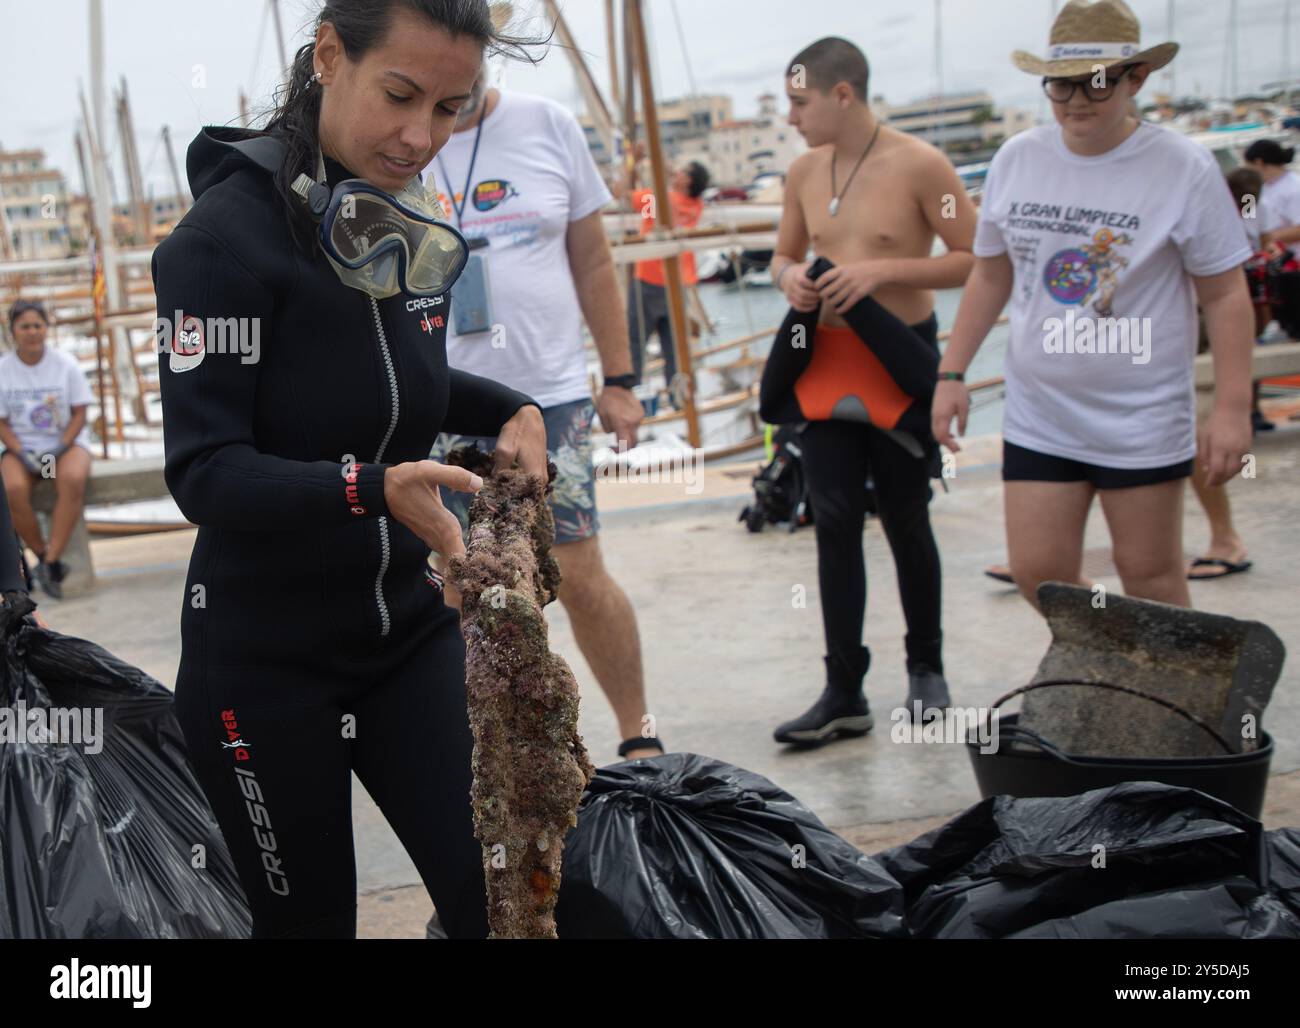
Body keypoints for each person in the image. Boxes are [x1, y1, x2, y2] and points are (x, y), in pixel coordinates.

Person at [152, 0, 548, 939]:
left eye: (452, 108)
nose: (421, 137)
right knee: (309, 927)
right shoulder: (218, 247)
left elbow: (396, 382)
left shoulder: (394, 214)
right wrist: (371, 490)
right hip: (263, 667)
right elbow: (205, 471)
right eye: (401, 95)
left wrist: (513, 409)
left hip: (407, 636)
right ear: (329, 54)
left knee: (508, 903)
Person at [933, 0, 1254, 615]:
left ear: (1137, 78)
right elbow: (990, 275)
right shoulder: (1017, 159)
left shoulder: (1181, 167)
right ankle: (1108, 682)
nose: (1077, 99)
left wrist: (1232, 410)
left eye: (1099, 81)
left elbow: (1224, 292)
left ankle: (1171, 705)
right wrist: (952, 374)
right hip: (1040, 411)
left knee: (1151, 578)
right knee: (1040, 574)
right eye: (1061, 84)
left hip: (1141, 414)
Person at [424, 71, 663, 761]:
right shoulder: (399, 137)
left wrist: (619, 379)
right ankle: (493, 756)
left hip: (549, 397)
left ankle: (639, 736)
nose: (459, 79)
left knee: (580, 575)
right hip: (437, 402)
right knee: (458, 589)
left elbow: (592, 260)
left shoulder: (549, 124)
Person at [760, 36, 978, 745]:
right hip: (824, 365)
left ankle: (926, 668)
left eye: (799, 101)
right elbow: (783, 254)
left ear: (842, 94)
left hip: (899, 358)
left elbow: (976, 260)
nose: (791, 115)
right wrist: (789, 276)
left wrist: (882, 274)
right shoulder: (801, 170)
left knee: (908, 518)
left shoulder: (921, 164)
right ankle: (843, 688)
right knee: (831, 522)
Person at [0, 300, 94, 600]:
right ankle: (42, 556)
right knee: (11, 489)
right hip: (22, 450)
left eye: (37, 325)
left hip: (61, 447)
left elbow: (80, 412)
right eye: (24, 326)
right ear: (13, 330)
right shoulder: (4, 369)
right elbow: (1, 422)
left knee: (71, 481)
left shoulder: (65, 365)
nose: (32, 332)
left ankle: (52, 560)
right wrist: (22, 452)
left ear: (46, 328)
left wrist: (59, 446)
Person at [615, 155, 710, 404]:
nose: (676, 171)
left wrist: (632, 163)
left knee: (635, 346)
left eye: (682, 170)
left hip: (648, 281)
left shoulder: (656, 199)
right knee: (674, 349)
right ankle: (680, 401)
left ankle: (632, 398)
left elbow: (622, 194)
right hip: (678, 286)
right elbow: (669, 176)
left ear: (686, 179)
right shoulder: (695, 205)